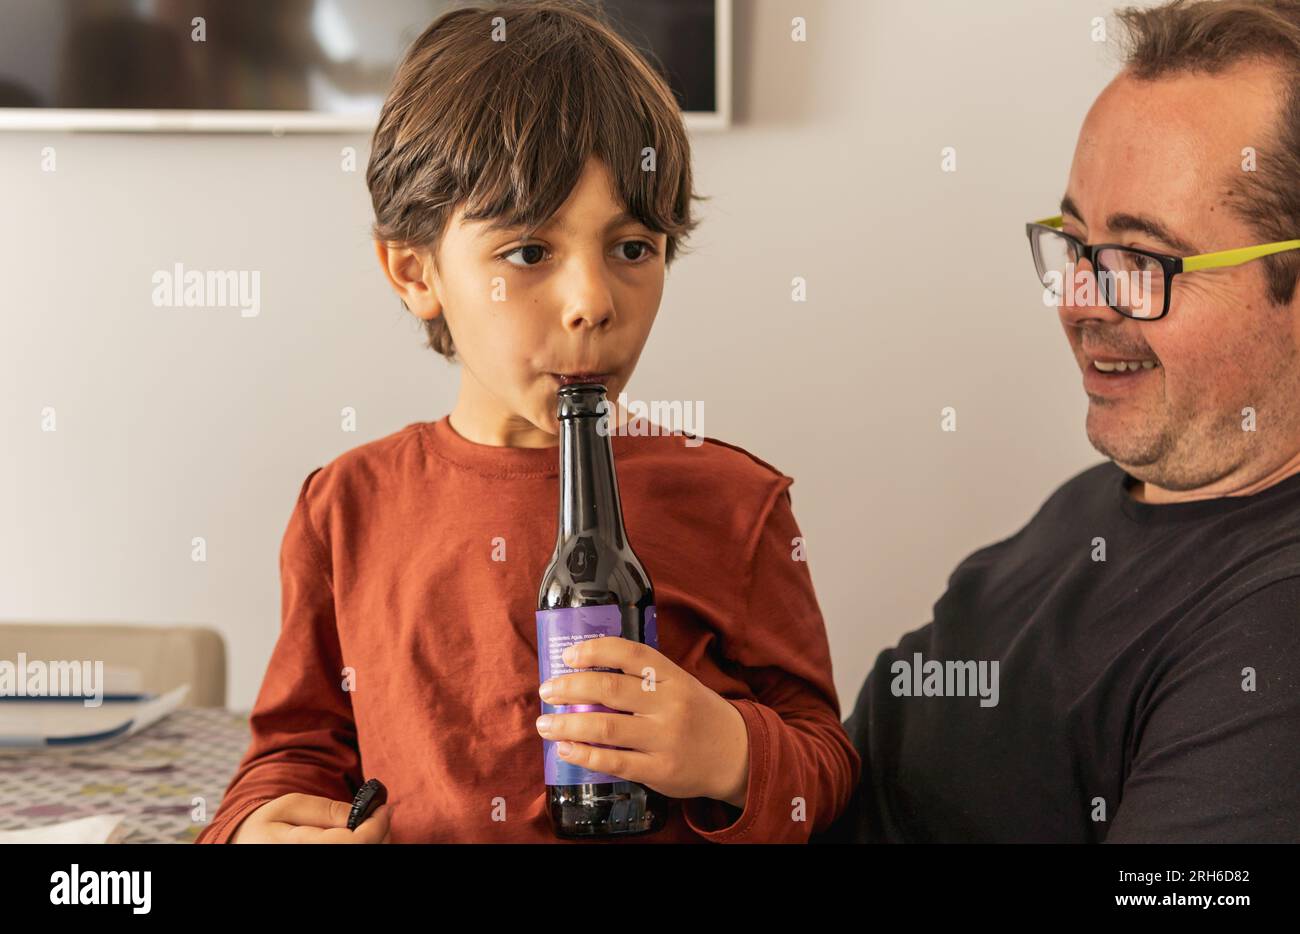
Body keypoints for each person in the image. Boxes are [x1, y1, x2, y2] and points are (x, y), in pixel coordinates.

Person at [195, 0, 858, 844]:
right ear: (415, 271)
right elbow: (291, 758)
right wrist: (254, 829)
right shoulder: (345, 508)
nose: (592, 303)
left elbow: (826, 769)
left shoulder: (737, 503)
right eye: (529, 253)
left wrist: (729, 752)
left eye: (633, 248)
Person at [821, 0, 1300, 844]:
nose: (1078, 301)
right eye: (1075, 243)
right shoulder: (1105, 498)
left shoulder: (1276, 636)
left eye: (1140, 259)